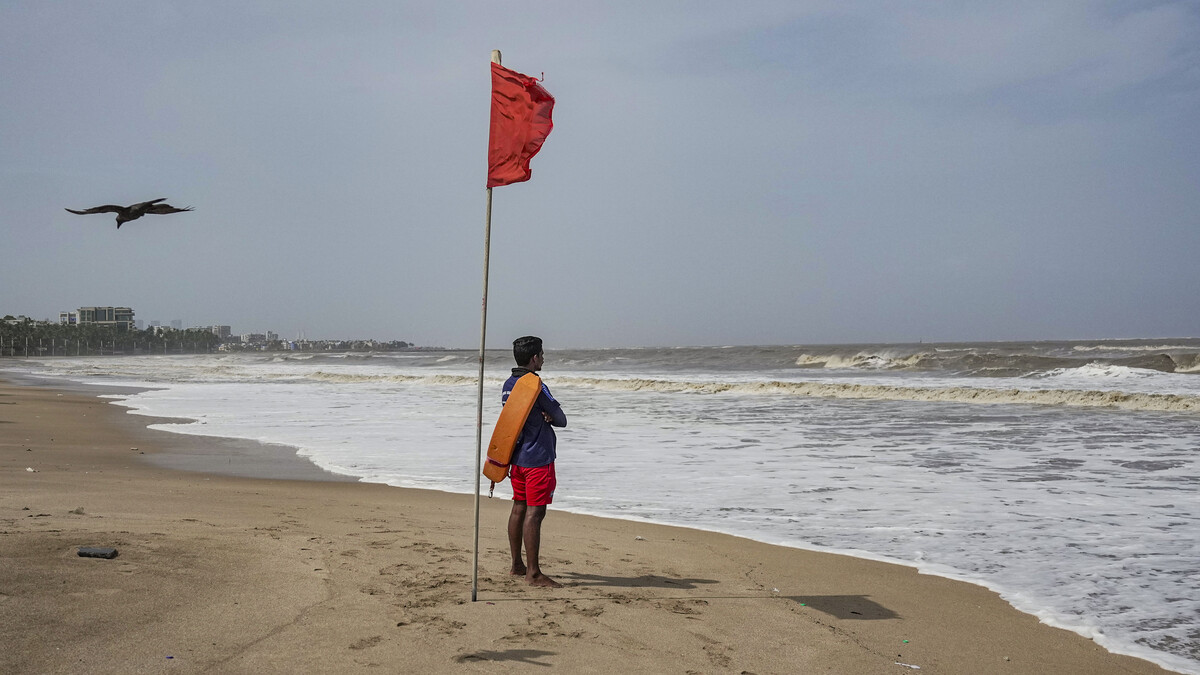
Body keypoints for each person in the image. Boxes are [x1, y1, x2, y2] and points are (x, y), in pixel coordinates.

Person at [503, 335, 566, 587]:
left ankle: (517, 565)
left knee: (519, 507)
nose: (543, 358)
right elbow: (560, 418)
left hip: (516, 458)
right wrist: (547, 416)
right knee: (535, 512)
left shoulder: (508, 384)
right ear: (534, 358)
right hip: (537, 458)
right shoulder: (534, 384)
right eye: (541, 354)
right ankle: (534, 573)